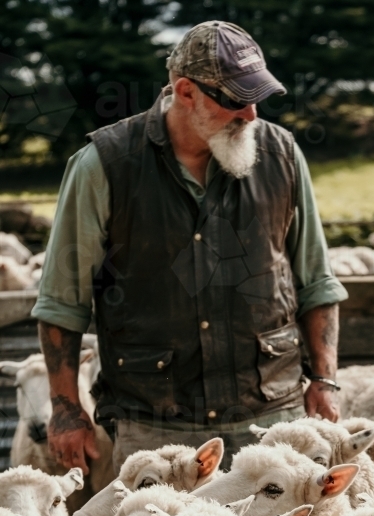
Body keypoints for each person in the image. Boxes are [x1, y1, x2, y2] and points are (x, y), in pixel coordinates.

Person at [32, 20, 348, 473]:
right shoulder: (104, 165)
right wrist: (66, 409)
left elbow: (316, 282)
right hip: (154, 428)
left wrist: (325, 380)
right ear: (185, 92)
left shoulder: (282, 156)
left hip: (272, 421)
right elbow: (62, 302)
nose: (251, 115)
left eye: (256, 97)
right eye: (236, 100)